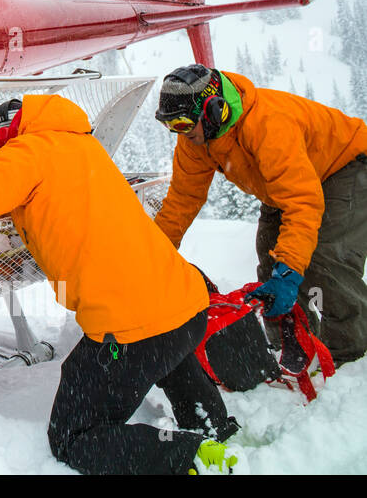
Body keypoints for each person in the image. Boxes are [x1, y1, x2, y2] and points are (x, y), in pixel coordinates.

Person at [0, 94, 239, 475]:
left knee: (73, 435)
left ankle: (190, 458)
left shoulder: (30, 150)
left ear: (4, 137)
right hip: (185, 305)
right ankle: (216, 430)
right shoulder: (82, 145)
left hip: (131, 328)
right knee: (170, 358)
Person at [153, 64, 367, 365]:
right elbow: (182, 200)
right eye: (171, 126)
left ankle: (350, 354)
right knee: (270, 259)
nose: (181, 133)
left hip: (344, 167)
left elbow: (302, 202)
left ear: (215, 110)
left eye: (184, 123)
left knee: (324, 259)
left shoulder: (268, 124)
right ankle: (289, 346)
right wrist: (153, 254)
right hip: (283, 185)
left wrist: (290, 271)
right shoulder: (196, 139)